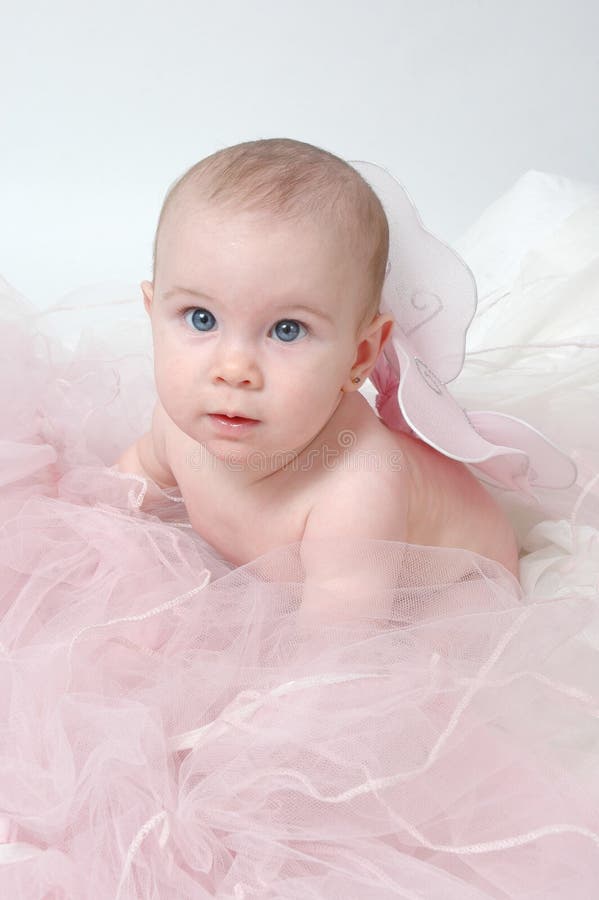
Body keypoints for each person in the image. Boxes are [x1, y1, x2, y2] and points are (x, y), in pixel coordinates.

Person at [115, 138, 521, 600]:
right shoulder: (178, 423)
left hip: (448, 592)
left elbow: (338, 648)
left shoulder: (355, 486)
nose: (233, 370)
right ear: (152, 314)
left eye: (287, 330)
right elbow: (134, 481)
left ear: (360, 356)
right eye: (201, 318)